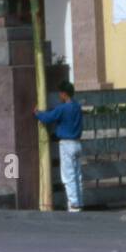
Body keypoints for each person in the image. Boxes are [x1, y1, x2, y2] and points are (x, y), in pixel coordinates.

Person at [34, 81, 84, 212]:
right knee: (77, 175)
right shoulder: (77, 106)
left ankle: (74, 204)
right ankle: (79, 201)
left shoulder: (63, 108)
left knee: (68, 176)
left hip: (67, 144)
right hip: (78, 143)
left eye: (60, 94)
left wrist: (37, 113)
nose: (59, 96)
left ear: (63, 94)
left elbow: (48, 118)